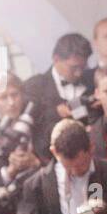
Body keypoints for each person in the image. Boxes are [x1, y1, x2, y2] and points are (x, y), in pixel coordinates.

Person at [22, 33, 94, 161]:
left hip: (88, 158)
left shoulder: (94, 82)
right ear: (56, 59)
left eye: (83, 67)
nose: (79, 73)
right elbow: (28, 125)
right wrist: (56, 112)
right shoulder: (34, 86)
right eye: (74, 67)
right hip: (47, 161)